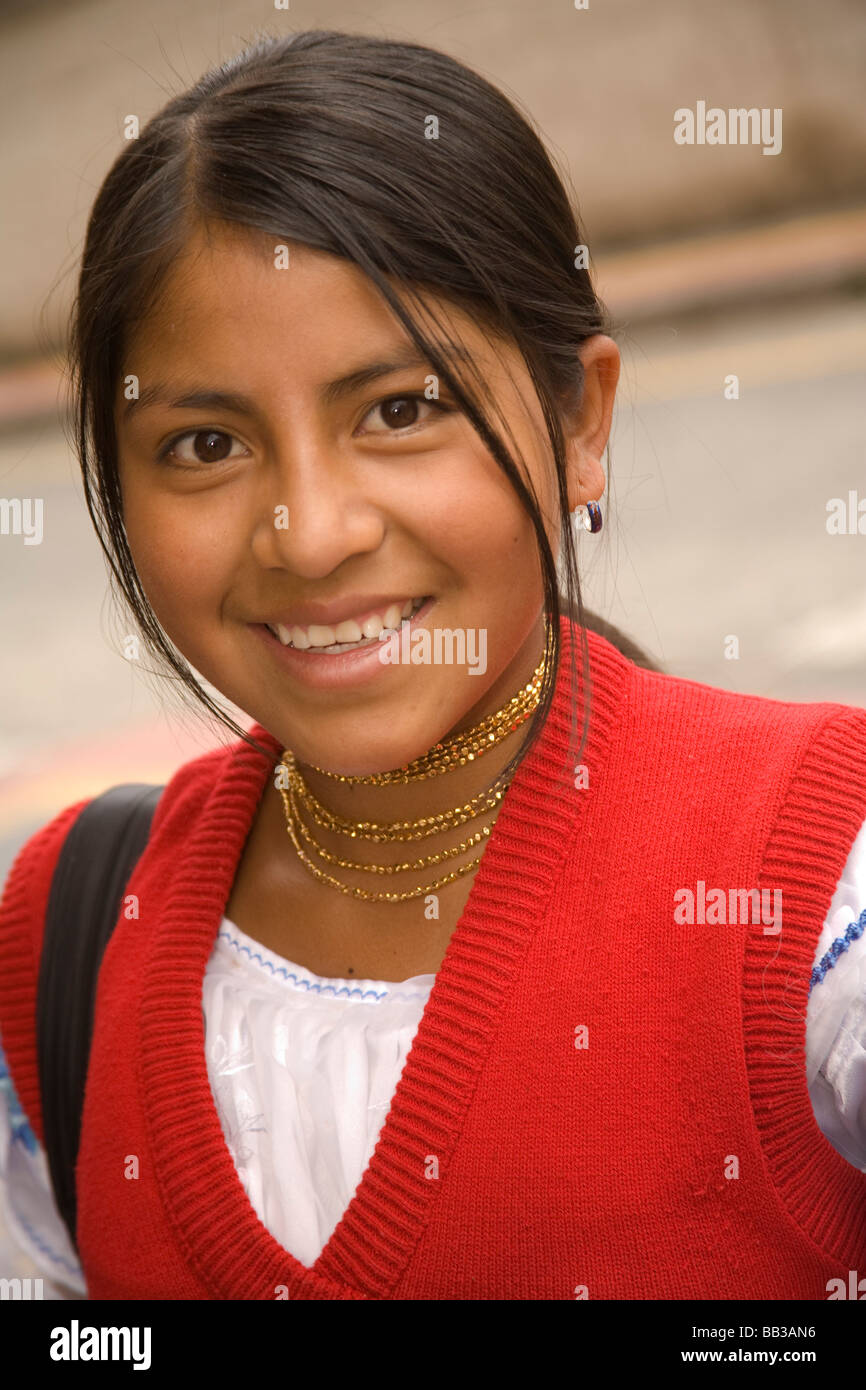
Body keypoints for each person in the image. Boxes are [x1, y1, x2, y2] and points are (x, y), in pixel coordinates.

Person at [0, 29, 864, 1302]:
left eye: (400, 411)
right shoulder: (65, 938)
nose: (311, 531)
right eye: (200, 443)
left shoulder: (814, 877)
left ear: (580, 423)